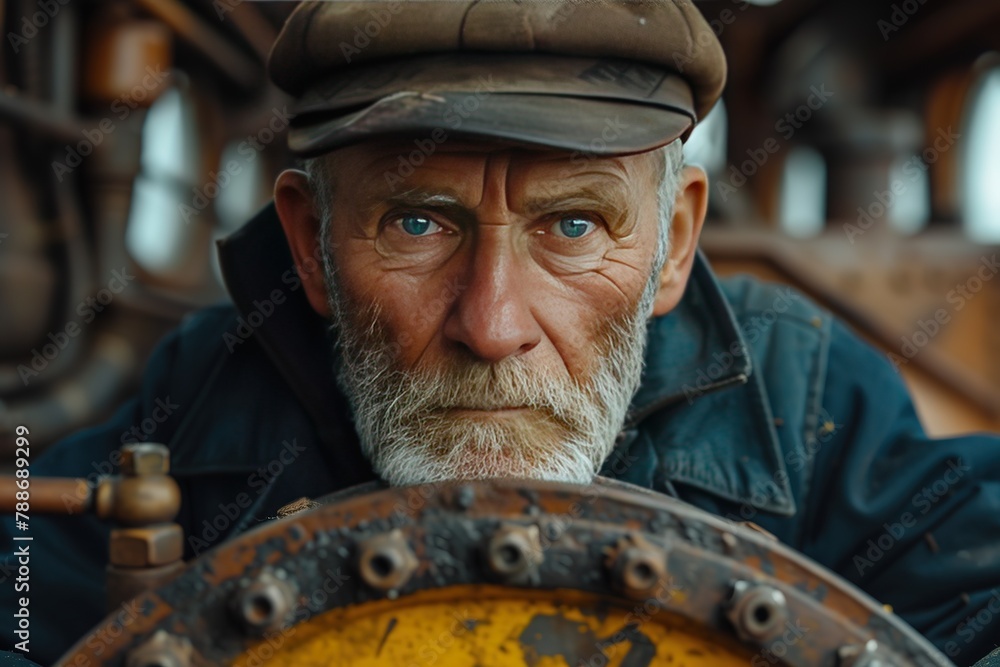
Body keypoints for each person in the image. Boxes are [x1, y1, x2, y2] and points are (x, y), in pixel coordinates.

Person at [2, 1, 999, 665]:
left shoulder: (803, 402)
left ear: (676, 238)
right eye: (416, 223)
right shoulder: (210, 395)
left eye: (571, 226)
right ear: (307, 245)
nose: (491, 324)